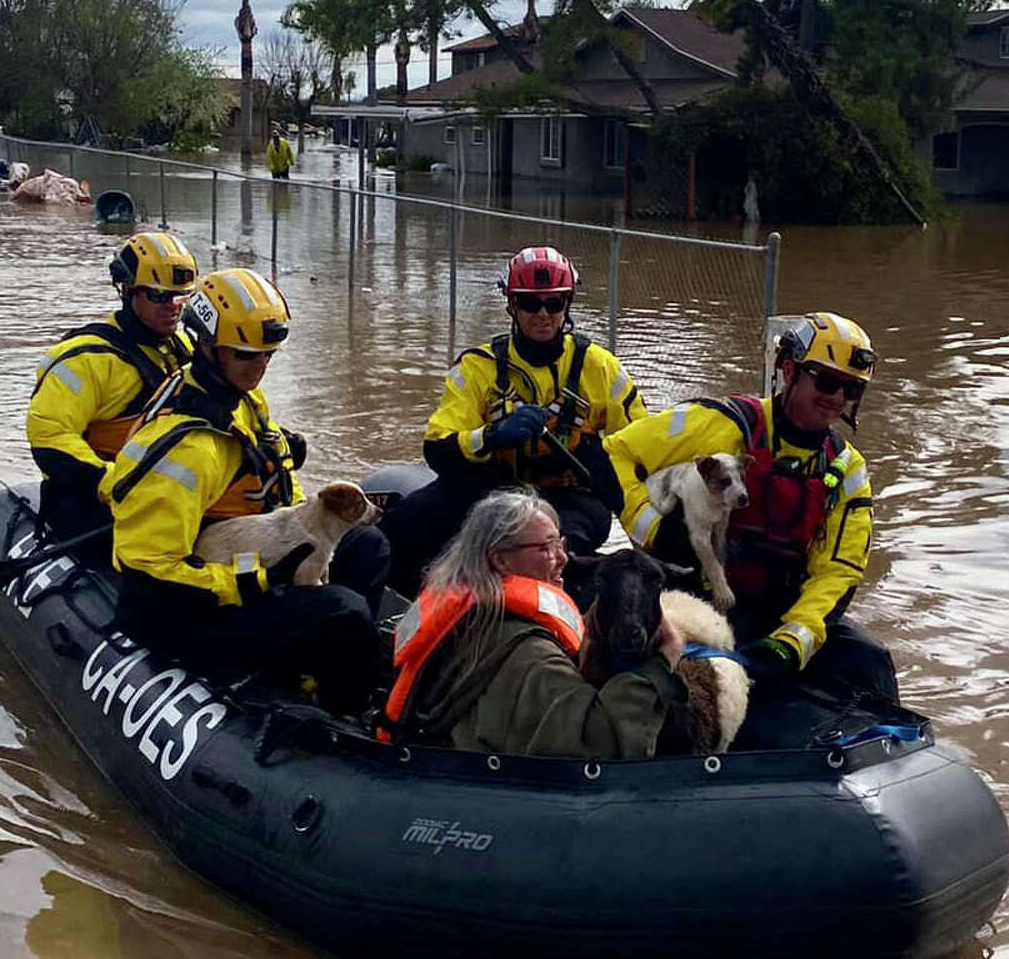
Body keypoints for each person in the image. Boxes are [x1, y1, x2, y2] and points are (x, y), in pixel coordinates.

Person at [98, 268, 389, 714]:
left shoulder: (243, 399)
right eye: (247, 355)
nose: (260, 367)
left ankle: (325, 660)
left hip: (244, 558)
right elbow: (150, 579)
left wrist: (306, 532)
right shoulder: (185, 452)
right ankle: (344, 713)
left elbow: (278, 494)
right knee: (343, 609)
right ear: (206, 345)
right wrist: (259, 579)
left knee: (369, 545)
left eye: (268, 355)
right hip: (189, 612)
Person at [604, 311, 899, 702]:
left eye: (852, 389)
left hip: (779, 611)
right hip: (697, 597)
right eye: (827, 382)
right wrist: (653, 527)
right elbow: (615, 453)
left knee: (869, 660)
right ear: (789, 370)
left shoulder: (847, 468)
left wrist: (793, 640)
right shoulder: (720, 424)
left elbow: (838, 571)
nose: (837, 398)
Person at [379, 245, 648, 596]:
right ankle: (406, 608)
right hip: (494, 488)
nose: (543, 315)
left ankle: (555, 616)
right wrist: (491, 436)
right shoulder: (478, 368)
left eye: (554, 303)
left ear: (567, 305)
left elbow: (640, 447)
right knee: (404, 523)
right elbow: (438, 447)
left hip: (571, 497)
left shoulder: (600, 367)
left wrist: (600, 458)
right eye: (530, 304)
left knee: (549, 554)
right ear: (512, 306)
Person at [377, 489, 689, 756]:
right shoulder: (530, 654)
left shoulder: (474, 616)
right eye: (545, 548)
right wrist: (660, 663)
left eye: (560, 544)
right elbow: (601, 745)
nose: (563, 558)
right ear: (500, 560)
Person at [27, 231, 197, 543]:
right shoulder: (86, 359)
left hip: (170, 501)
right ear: (127, 290)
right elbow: (50, 436)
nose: (173, 307)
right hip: (96, 508)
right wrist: (118, 484)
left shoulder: (186, 350)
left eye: (181, 297)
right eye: (160, 296)